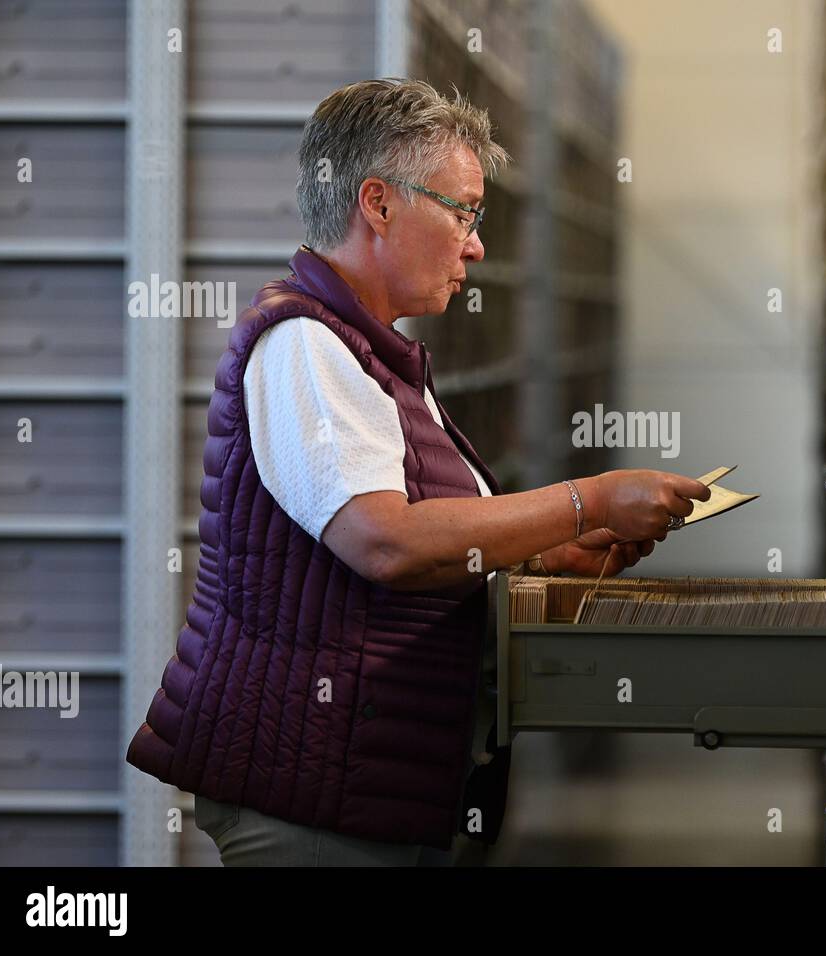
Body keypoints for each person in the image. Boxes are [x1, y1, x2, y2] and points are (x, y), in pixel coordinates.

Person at [124, 78, 709, 866]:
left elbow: (420, 531)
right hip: (312, 790)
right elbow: (384, 541)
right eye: (463, 212)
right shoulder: (303, 346)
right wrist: (588, 499)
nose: (475, 244)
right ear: (379, 203)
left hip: (368, 786)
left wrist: (538, 556)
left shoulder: (377, 357)